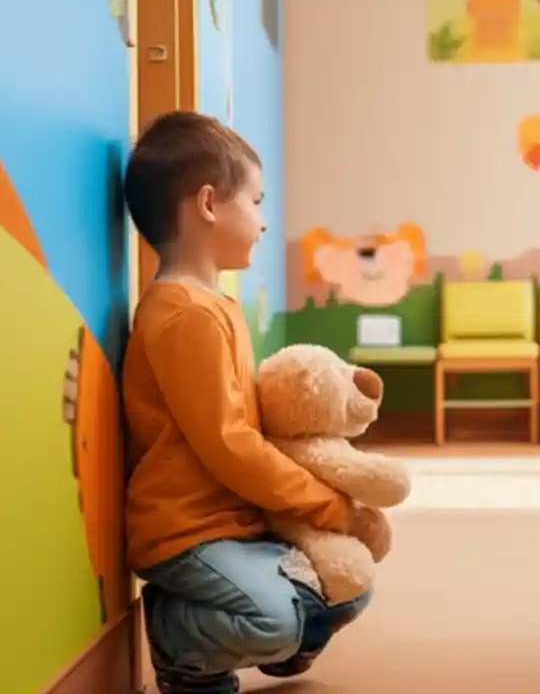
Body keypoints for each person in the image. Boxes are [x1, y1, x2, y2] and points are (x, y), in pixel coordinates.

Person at [121, 111, 392, 693]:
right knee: (280, 620)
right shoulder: (185, 315)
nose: (264, 222)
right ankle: (178, 636)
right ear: (210, 205)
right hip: (186, 532)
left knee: (349, 587)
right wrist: (323, 504)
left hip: (237, 523)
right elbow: (231, 445)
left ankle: (250, 634)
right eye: (257, 202)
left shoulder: (212, 303)